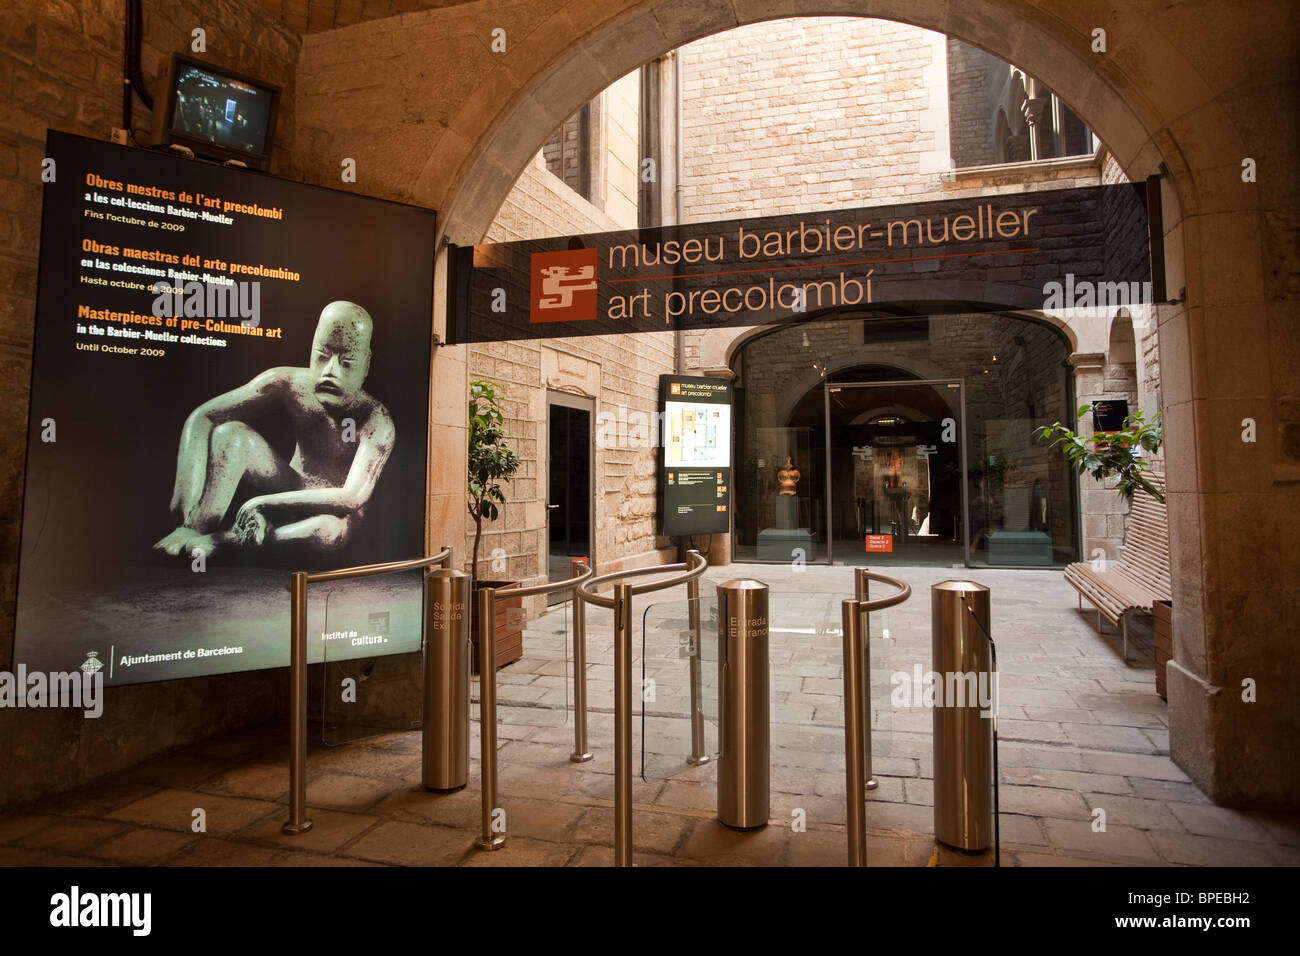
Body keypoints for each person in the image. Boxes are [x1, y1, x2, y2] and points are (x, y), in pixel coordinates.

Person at [153, 300, 395, 561]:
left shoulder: (376, 421)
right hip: (291, 487)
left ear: (366, 365)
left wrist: (263, 504)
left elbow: (351, 497)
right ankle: (197, 529)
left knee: (326, 532)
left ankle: (226, 543)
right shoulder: (288, 383)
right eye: (322, 356)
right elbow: (205, 416)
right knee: (231, 435)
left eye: (347, 361)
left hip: (335, 514)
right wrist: (186, 507)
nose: (330, 371)